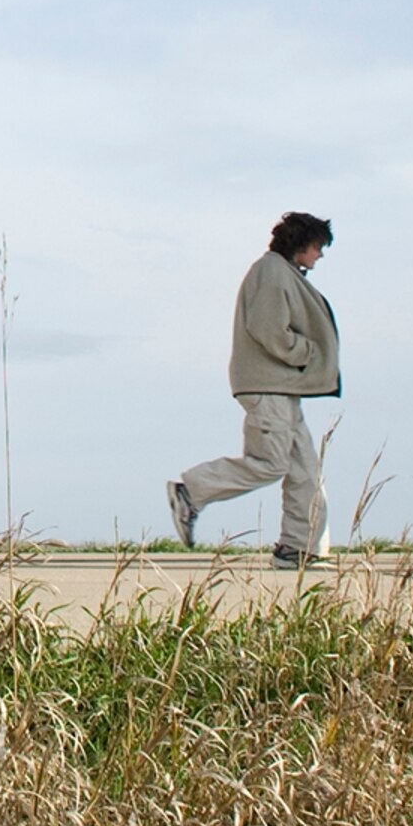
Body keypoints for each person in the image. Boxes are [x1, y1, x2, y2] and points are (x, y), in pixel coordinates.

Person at [167, 211, 338, 567]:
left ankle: (298, 547)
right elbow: (269, 328)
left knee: (304, 467)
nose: (320, 254)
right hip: (267, 385)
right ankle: (192, 490)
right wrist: (306, 352)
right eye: (318, 246)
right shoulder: (272, 272)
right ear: (301, 243)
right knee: (271, 463)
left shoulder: (280, 272)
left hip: (280, 386)